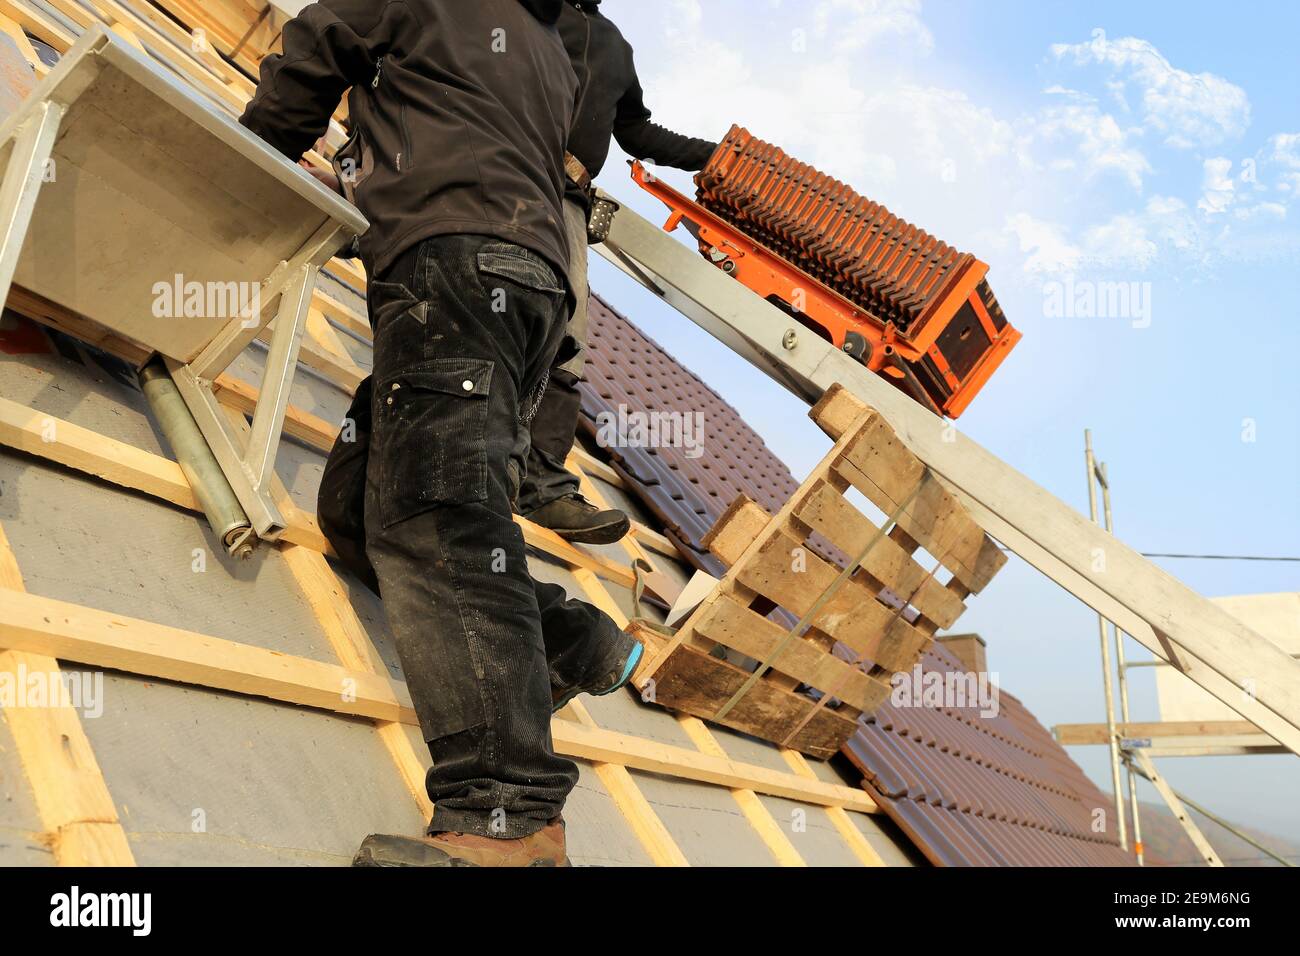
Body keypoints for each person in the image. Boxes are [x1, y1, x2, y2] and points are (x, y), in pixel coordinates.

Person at [240, 0, 642, 867]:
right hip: (521, 289)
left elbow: (320, 40)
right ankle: (571, 641)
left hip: (454, 275)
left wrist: (247, 170)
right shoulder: (538, 36)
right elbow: (466, 135)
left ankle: (510, 813)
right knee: (360, 513)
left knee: (437, 522)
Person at [517, 0, 719, 543]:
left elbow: (638, 132)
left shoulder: (613, 46)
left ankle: (540, 485)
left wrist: (715, 155)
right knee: (488, 298)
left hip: (568, 199)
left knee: (568, 338)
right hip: (505, 163)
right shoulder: (526, 9)